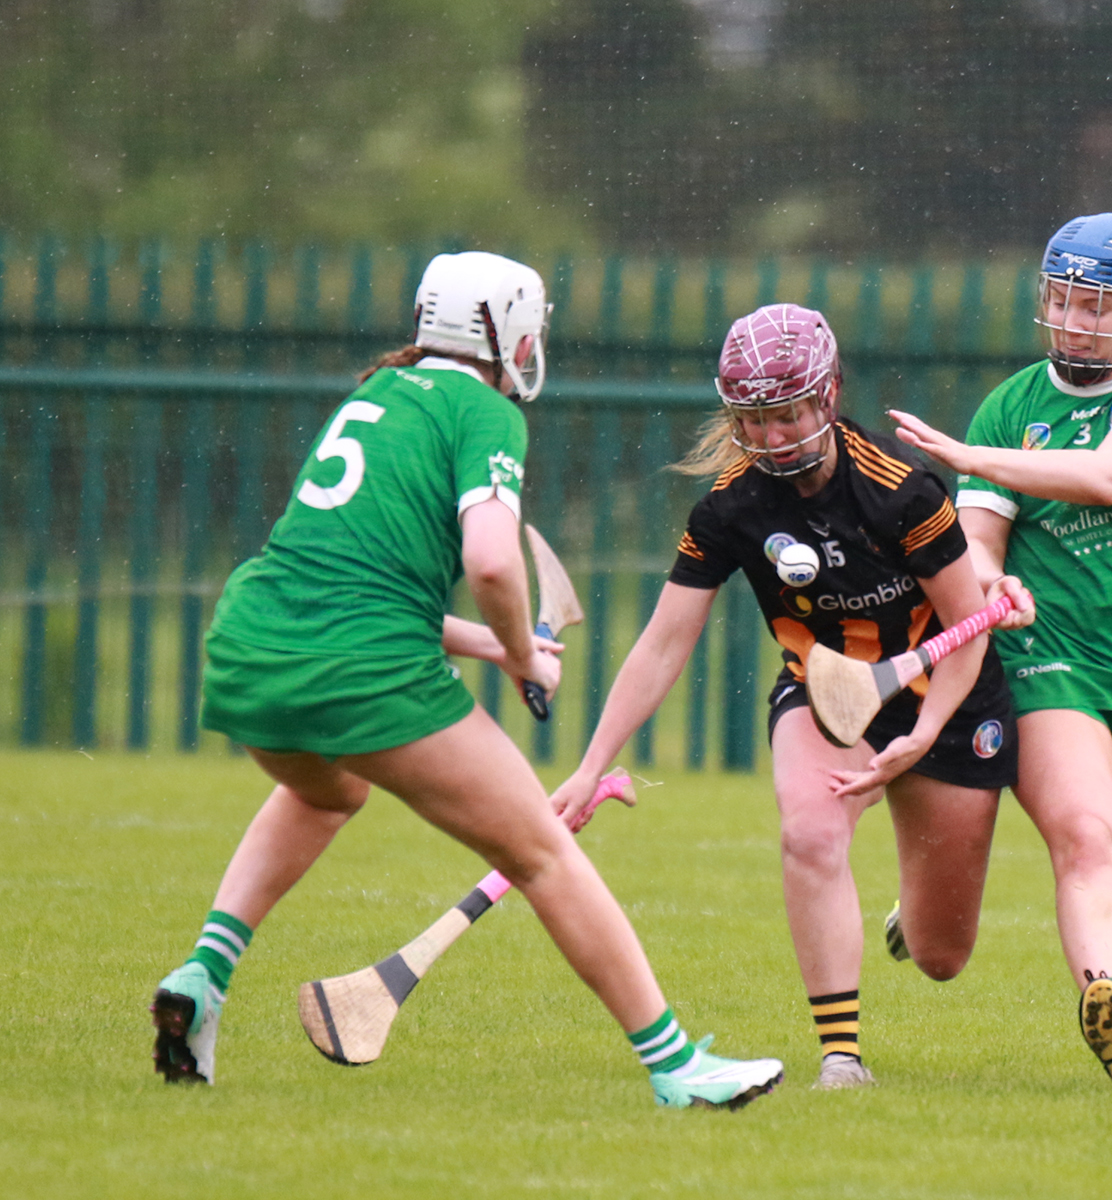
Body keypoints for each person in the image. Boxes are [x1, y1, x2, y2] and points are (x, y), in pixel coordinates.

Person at [149, 251, 783, 1111]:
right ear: (507, 333)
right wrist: (524, 651)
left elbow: (358, 575)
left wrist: (495, 645)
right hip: (363, 668)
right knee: (543, 853)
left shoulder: (374, 396)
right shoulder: (486, 411)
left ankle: (206, 975)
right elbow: (490, 559)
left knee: (329, 793)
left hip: (251, 648)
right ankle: (677, 1068)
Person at [550, 303, 1034, 1089]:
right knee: (809, 834)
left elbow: (967, 630)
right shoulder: (729, 508)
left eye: (786, 415)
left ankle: (910, 920)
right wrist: (591, 763)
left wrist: (926, 729)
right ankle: (841, 1057)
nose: (771, 435)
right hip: (826, 693)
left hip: (945, 697)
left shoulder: (903, 492)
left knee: (944, 955)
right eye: (753, 418)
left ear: (827, 395)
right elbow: (664, 642)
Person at [890, 213, 1112, 1091]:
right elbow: (976, 543)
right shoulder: (1013, 406)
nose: (1077, 320)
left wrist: (966, 455)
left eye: (1097, 305)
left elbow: (1108, 475)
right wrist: (988, 581)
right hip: (1049, 663)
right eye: (1063, 299)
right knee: (1088, 839)